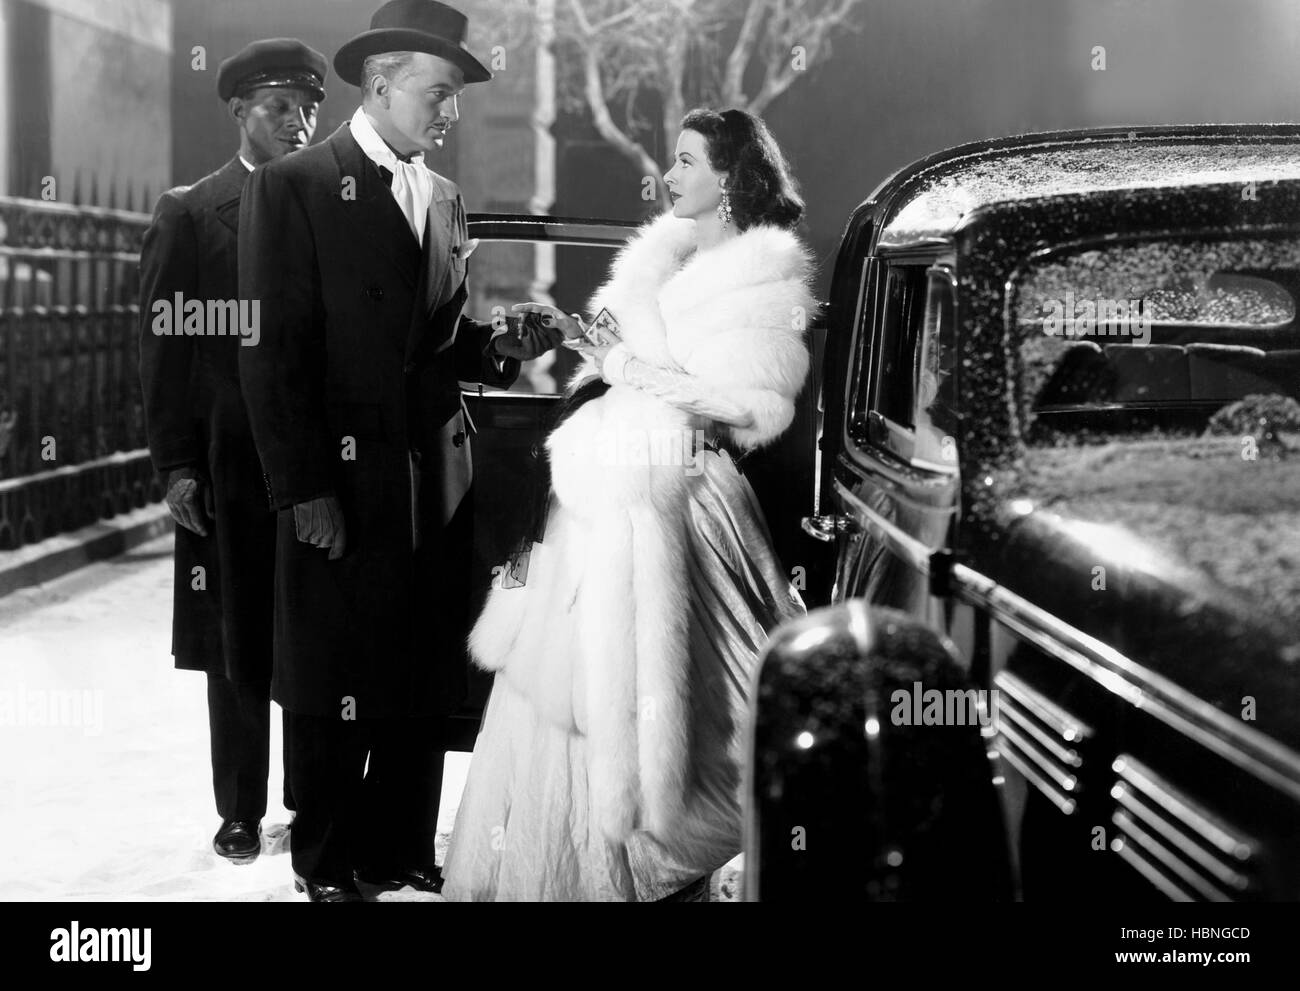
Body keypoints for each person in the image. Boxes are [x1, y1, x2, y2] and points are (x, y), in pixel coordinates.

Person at [236, 0, 564, 902]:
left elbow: (440, 344)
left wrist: (499, 345)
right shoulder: (297, 185)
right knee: (336, 668)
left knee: (422, 667)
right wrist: (301, 488)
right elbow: (271, 356)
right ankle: (328, 858)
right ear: (380, 83)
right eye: (438, 92)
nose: (449, 112)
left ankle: (403, 845)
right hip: (340, 478)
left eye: (455, 96)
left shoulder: (445, 199)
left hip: (436, 475)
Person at [443, 107, 814, 901]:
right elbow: (634, 364)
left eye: (686, 162)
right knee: (564, 690)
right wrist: (582, 339)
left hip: (684, 494)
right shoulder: (666, 258)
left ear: (730, 178)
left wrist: (614, 356)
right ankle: (570, 869)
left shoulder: (764, 277)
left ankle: (658, 855)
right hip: (604, 485)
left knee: (695, 700)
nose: (669, 176)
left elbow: (741, 405)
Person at [138, 38, 326, 865]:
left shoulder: (330, 203)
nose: (299, 121)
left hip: (316, 459)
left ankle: (313, 806)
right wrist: (175, 462)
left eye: (310, 106)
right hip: (227, 459)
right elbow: (162, 348)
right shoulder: (191, 209)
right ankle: (241, 808)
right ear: (239, 113)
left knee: (315, 632)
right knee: (237, 638)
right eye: (280, 106)